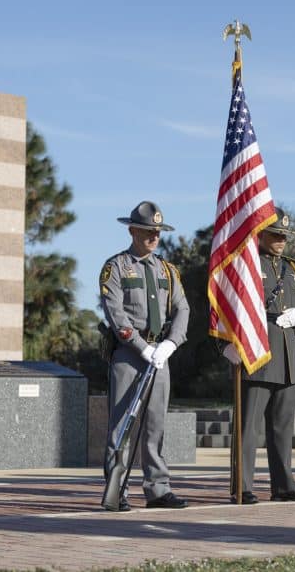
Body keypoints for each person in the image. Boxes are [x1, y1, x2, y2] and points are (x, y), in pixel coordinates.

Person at [222, 207, 295, 504]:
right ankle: (243, 487)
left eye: (285, 236)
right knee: (248, 427)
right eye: (276, 234)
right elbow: (225, 306)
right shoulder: (246, 265)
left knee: (282, 427)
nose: (281, 240)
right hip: (257, 350)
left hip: (288, 354)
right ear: (261, 233)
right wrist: (225, 346)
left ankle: (284, 486)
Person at [99, 201, 190, 510]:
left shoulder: (167, 269)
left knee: (155, 425)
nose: (154, 237)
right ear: (132, 230)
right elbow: (116, 314)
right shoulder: (116, 267)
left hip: (160, 354)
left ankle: (158, 489)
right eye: (149, 231)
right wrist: (142, 347)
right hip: (129, 354)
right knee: (122, 425)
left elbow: (182, 308)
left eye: (158, 232)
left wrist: (172, 343)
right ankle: (117, 490)